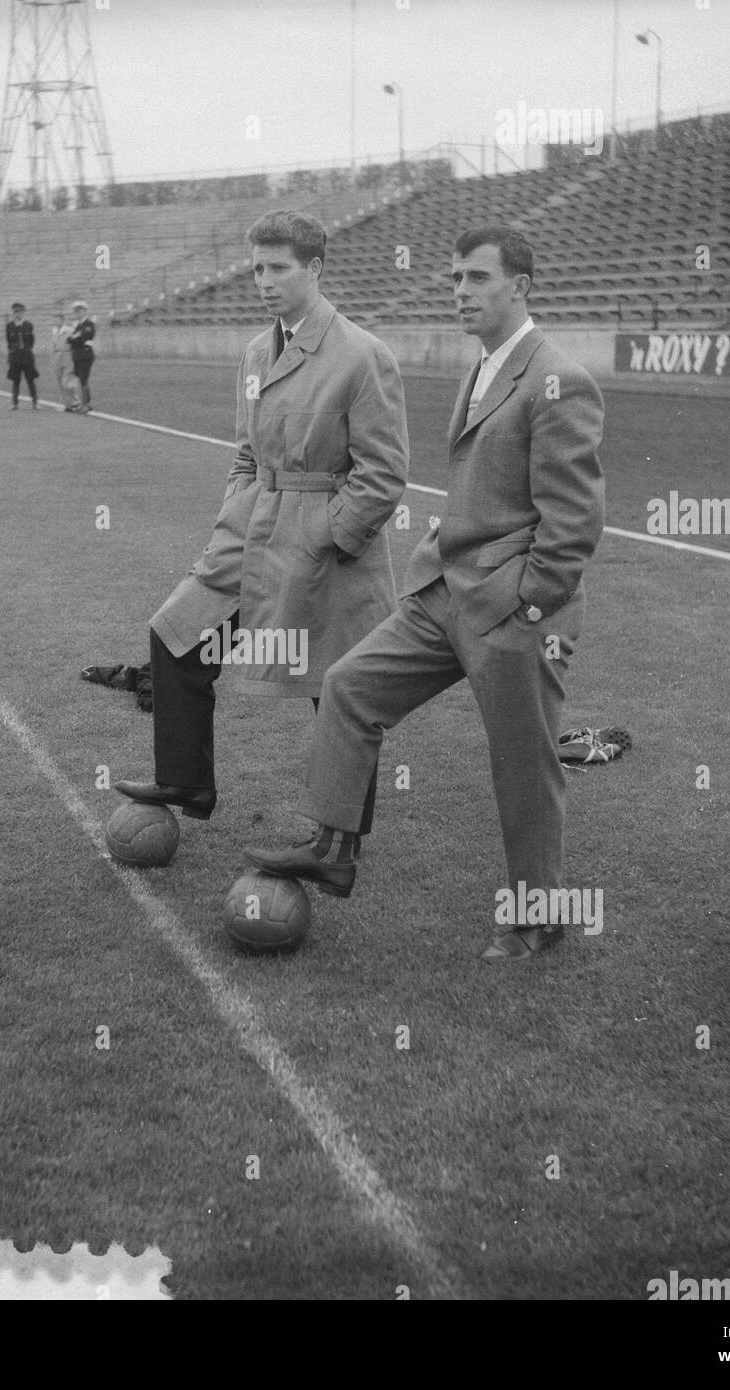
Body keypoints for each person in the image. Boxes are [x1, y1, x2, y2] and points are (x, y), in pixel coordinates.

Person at [244, 225, 606, 964]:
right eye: (454, 279)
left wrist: (524, 606)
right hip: (444, 589)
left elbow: (572, 527)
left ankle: (538, 917)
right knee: (347, 686)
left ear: (519, 288)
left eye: (476, 279)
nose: (461, 293)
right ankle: (333, 847)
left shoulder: (555, 377)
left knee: (522, 763)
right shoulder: (484, 366)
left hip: (509, 610)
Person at [113, 209, 409, 835]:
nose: (264, 281)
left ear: (315, 269)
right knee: (177, 633)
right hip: (252, 529)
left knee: (335, 686)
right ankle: (185, 780)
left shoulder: (362, 355)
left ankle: (342, 826)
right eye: (256, 269)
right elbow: (246, 451)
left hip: (322, 542)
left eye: (278, 268)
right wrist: (233, 516)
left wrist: (327, 536)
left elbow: (382, 475)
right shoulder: (254, 352)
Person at [5, 302, 39, 410]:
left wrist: (26, 349)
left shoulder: (28, 325)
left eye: (19, 312)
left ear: (23, 313)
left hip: (27, 356)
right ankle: (14, 403)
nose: (17, 314)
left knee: (30, 380)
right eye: (15, 312)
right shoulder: (9, 326)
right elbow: (9, 342)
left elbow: (31, 341)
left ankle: (35, 402)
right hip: (15, 357)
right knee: (16, 380)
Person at [66, 300, 96, 413]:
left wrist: (74, 339)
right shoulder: (79, 326)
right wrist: (74, 339)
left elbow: (84, 337)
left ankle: (86, 404)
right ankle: (84, 403)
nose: (76, 313)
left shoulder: (89, 324)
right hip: (78, 355)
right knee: (81, 379)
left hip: (85, 354)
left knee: (83, 379)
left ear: (84, 311)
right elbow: (71, 339)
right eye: (75, 311)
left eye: (78, 311)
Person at [51, 312, 81, 411]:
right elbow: (54, 345)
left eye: (57, 319)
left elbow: (75, 342)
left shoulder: (69, 330)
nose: (55, 321)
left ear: (62, 320)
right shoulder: (54, 331)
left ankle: (75, 401)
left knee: (67, 381)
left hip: (67, 354)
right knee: (59, 381)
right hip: (57, 355)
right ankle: (67, 404)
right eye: (54, 319)